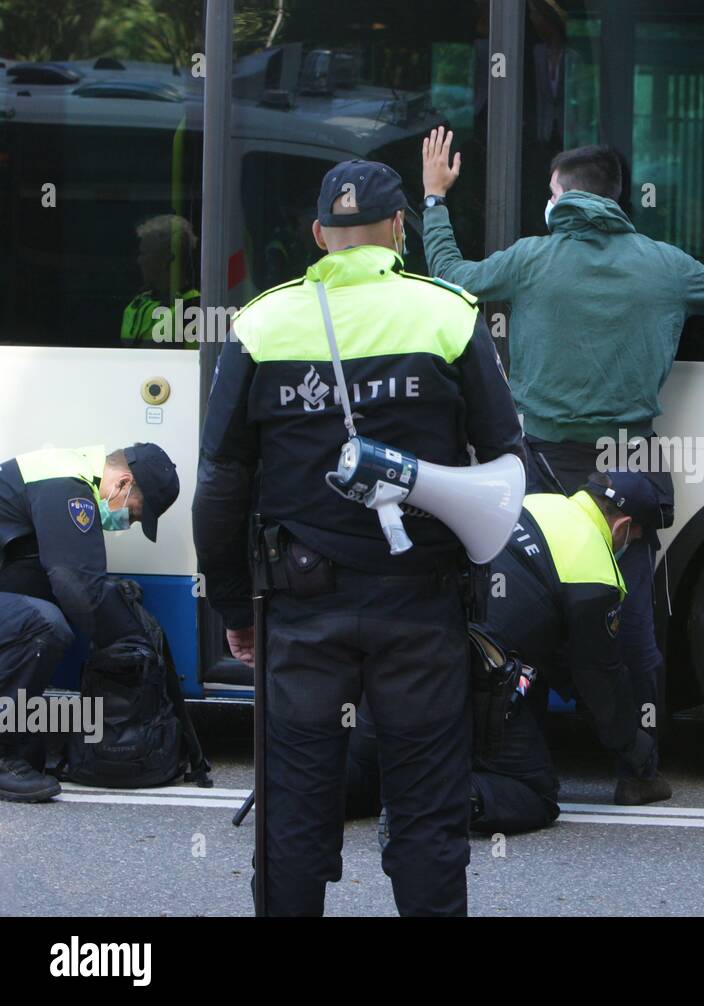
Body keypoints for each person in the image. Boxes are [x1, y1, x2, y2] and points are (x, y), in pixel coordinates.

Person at [193, 158, 524, 917]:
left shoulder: (263, 322)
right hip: (420, 604)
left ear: (318, 235)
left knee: (296, 803)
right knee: (428, 804)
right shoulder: (448, 312)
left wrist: (236, 609)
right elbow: (506, 459)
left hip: (301, 607)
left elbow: (221, 484)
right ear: (401, 229)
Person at [421, 126, 704, 773]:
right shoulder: (664, 264)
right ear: (616, 198)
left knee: (529, 607)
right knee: (630, 619)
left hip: (543, 465)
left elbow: (451, 278)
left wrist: (435, 199)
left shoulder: (530, 260)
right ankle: (638, 767)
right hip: (630, 469)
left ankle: (521, 754)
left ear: (562, 195)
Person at [346, 470, 669, 835]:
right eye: (636, 537)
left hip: (399, 645)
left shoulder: (532, 503)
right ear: (623, 526)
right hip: (465, 673)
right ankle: (429, 801)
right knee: (535, 793)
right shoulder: (595, 569)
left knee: (366, 767)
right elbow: (599, 677)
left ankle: (306, 793)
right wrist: (635, 749)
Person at [0, 443, 179, 800]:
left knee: (42, 610)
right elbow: (77, 584)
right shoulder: (64, 483)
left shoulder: (65, 475)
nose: (128, 523)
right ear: (123, 483)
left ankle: (20, 746)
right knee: (43, 626)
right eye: (135, 513)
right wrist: (134, 639)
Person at [121, 215, 200, 348]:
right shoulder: (137, 304)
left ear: (167, 258)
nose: (139, 260)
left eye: (144, 253)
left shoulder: (195, 308)